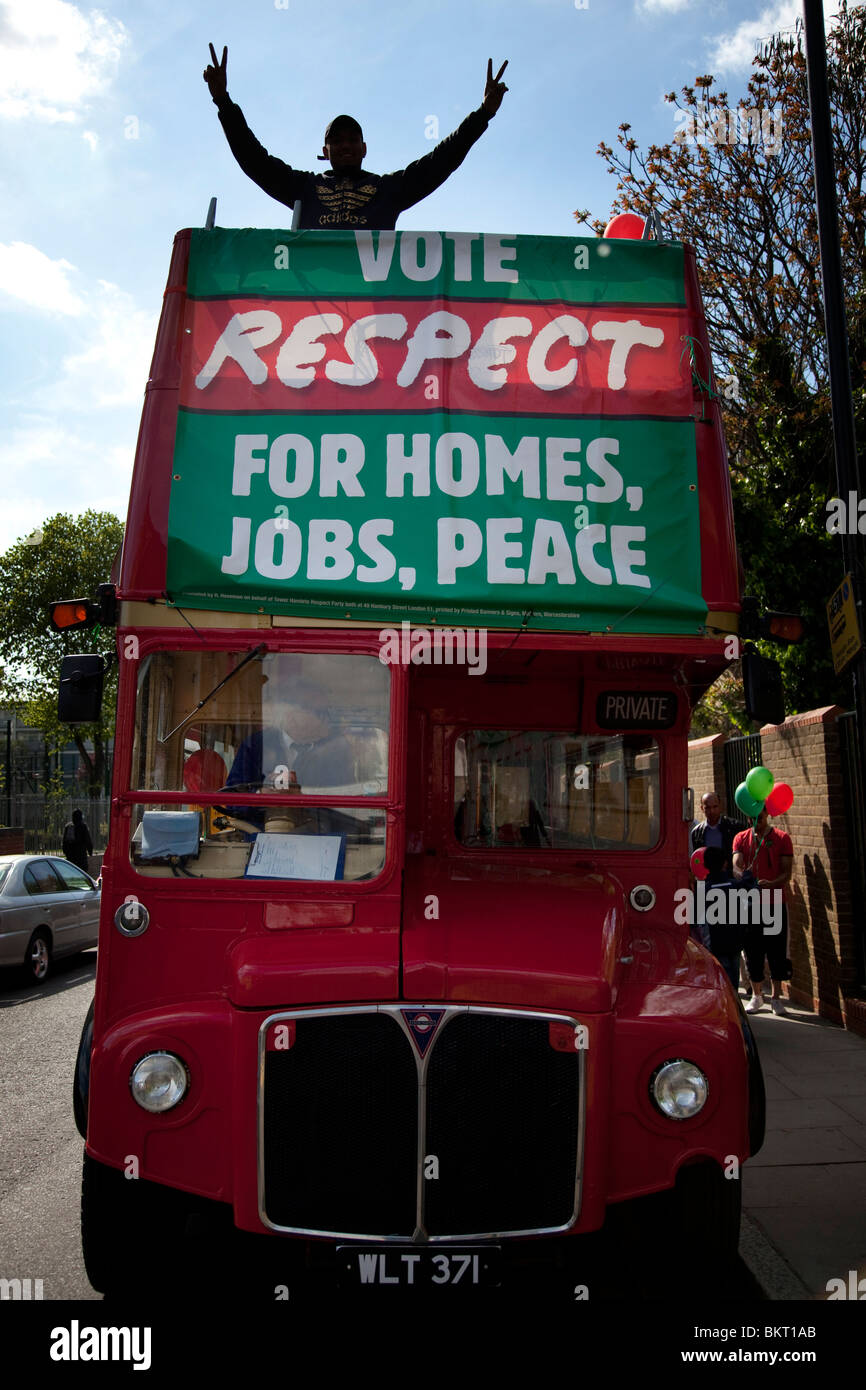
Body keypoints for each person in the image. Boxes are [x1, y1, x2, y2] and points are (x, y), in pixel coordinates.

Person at [202, 45, 508, 230]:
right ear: (325, 151)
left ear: (364, 148)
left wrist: (483, 114)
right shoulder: (304, 188)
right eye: (337, 141)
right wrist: (223, 102)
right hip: (316, 306)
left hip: (372, 306)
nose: (345, 145)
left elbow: (440, 161)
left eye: (352, 139)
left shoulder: (388, 190)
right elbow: (255, 160)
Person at [224, 691, 355, 829]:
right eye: (319, 713)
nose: (326, 720)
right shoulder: (255, 745)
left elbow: (346, 804)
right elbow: (231, 800)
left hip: (317, 836)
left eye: (326, 713)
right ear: (292, 714)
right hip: (261, 835)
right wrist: (261, 795)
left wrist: (303, 798)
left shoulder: (335, 750)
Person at [733, 808, 794, 1015]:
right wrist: (740, 871)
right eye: (752, 816)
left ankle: (776, 997)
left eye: (760, 816)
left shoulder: (782, 838)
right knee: (752, 950)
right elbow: (736, 862)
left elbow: (786, 873)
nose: (756, 820)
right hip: (750, 903)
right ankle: (757, 995)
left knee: (777, 950)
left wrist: (772, 883)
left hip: (774, 901)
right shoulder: (741, 838)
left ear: (767, 815)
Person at [696, 846, 744, 993]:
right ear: (725, 863)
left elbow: (698, 921)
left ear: (705, 865)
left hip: (715, 943)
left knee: (722, 983)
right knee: (733, 983)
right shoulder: (735, 886)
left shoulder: (703, 890)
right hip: (735, 941)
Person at [690, 791, 739, 859]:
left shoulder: (734, 827)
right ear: (702, 808)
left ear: (720, 806)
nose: (712, 811)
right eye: (708, 808)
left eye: (715, 807)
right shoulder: (697, 832)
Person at [62, 808, 93, 875]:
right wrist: (90, 851)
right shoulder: (83, 826)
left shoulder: (68, 826)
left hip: (70, 856)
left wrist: (65, 851)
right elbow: (87, 840)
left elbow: (64, 841)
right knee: (82, 874)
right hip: (81, 856)